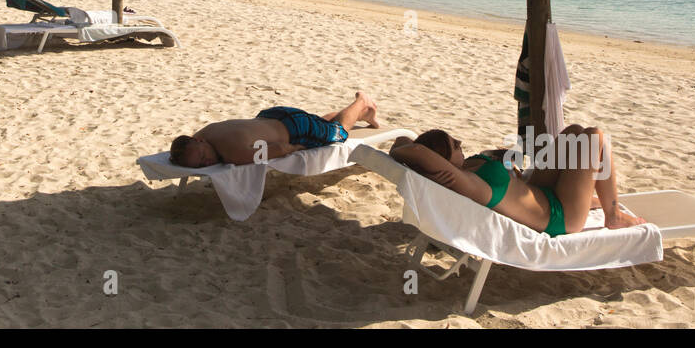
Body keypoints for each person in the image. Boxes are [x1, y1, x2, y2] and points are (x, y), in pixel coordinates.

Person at [391, 125, 646, 237]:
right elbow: (410, 150)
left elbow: (405, 143)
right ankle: (614, 216)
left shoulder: (465, 169)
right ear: (443, 162)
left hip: (536, 189)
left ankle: (593, 199)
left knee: (574, 133)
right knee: (595, 138)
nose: (460, 143)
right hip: (560, 216)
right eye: (453, 145)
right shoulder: (465, 181)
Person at [169, 91, 380, 167]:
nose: (207, 162)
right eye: (200, 165)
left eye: (203, 156)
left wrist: (298, 148)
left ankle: (362, 103)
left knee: (338, 133)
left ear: (200, 142)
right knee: (320, 126)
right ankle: (362, 114)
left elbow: (279, 148)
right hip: (271, 115)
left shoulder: (235, 153)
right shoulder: (204, 134)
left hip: (295, 127)